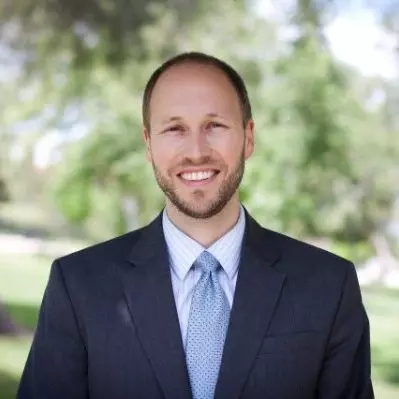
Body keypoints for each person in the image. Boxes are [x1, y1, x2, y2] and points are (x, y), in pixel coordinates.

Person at [17, 52, 374, 399]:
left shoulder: (328, 287)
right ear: (148, 144)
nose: (196, 151)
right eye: (175, 129)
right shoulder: (79, 286)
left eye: (214, 125)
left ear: (248, 137)